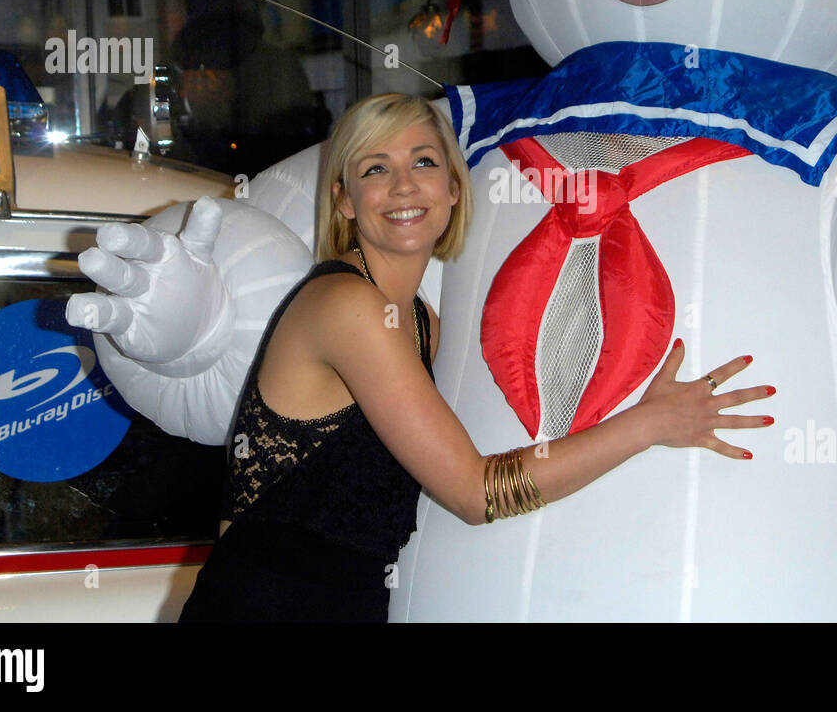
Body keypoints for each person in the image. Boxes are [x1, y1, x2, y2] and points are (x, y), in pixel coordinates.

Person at [179, 93, 775, 622]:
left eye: (424, 162)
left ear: (452, 188)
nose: (405, 185)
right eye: (375, 169)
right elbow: (477, 492)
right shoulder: (346, 306)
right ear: (345, 201)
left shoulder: (418, 322)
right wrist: (649, 424)